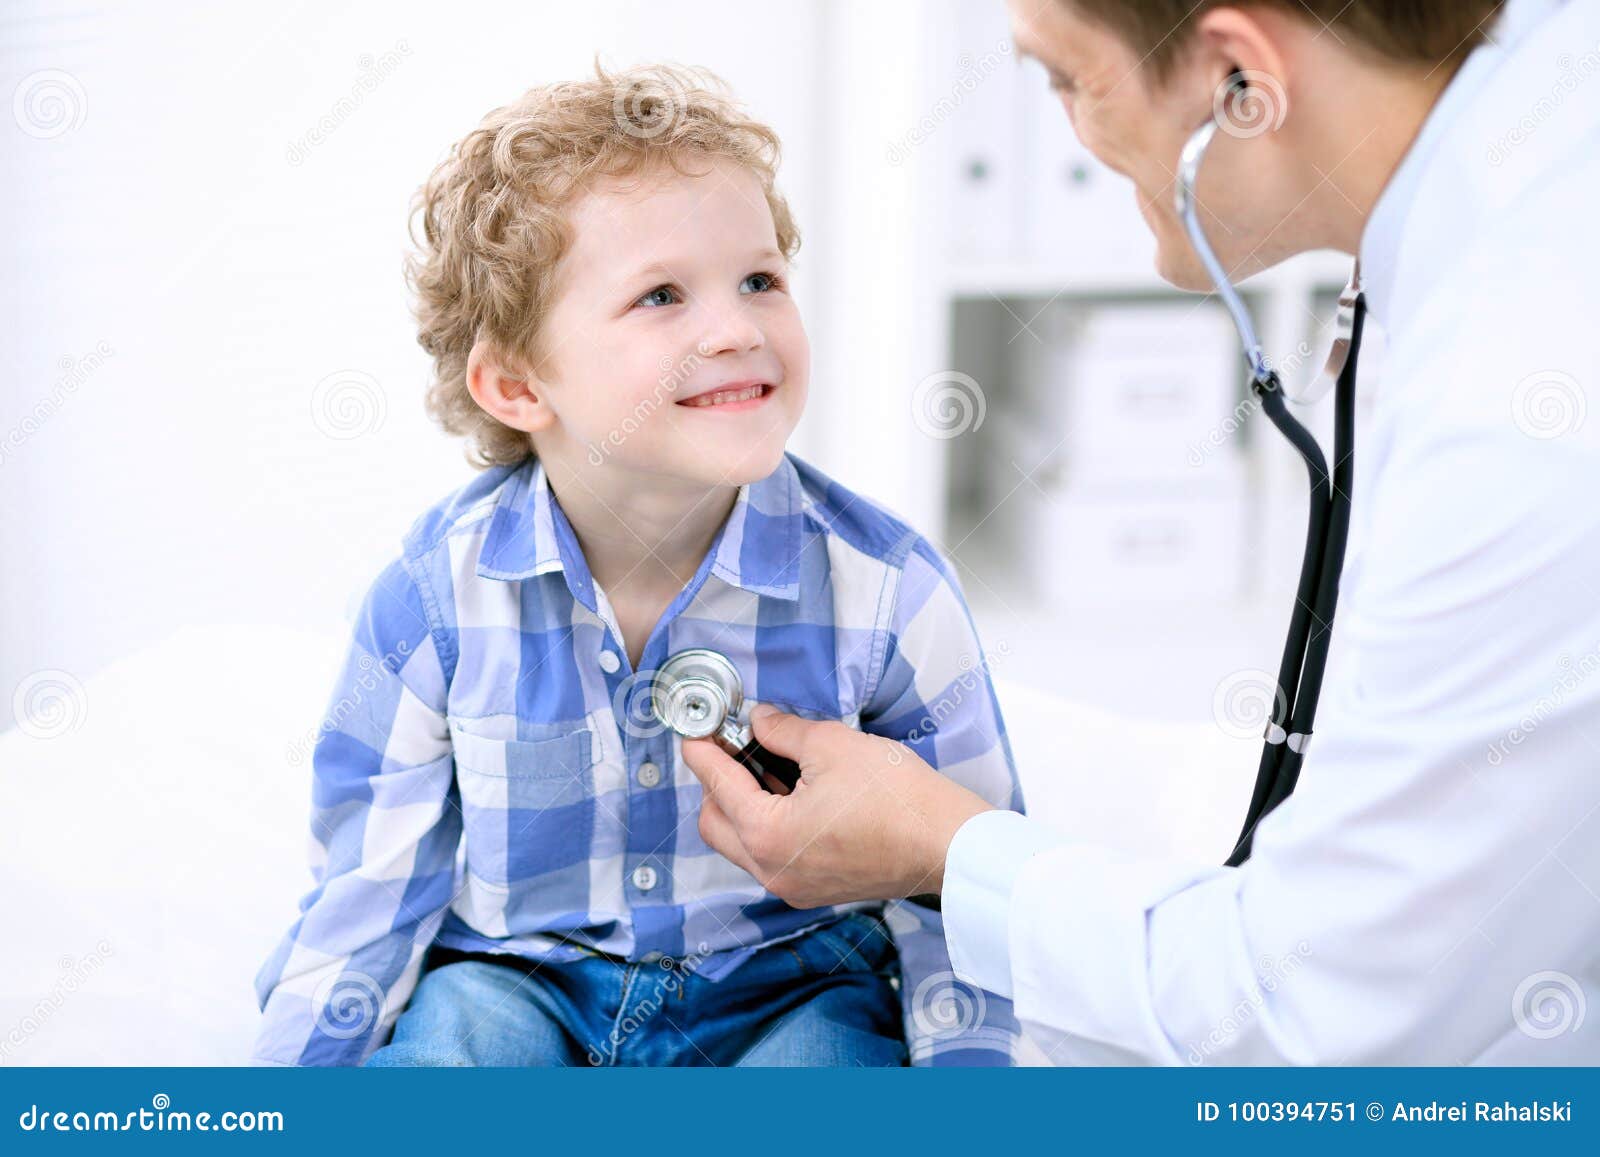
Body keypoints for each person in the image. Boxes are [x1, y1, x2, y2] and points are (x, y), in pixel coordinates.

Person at [684, 0, 1600, 1064]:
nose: (1070, 130)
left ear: (1241, 87)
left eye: (1069, 78)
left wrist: (941, 848)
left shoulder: (1521, 421)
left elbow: (1306, 1015)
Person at [250, 63, 1023, 1067]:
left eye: (760, 279)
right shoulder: (433, 602)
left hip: (789, 980)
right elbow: (367, 895)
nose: (737, 326)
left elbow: (961, 876)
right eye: (661, 294)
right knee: (454, 1052)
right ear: (518, 383)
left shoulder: (885, 590)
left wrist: (978, 1079)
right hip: (519, 978)